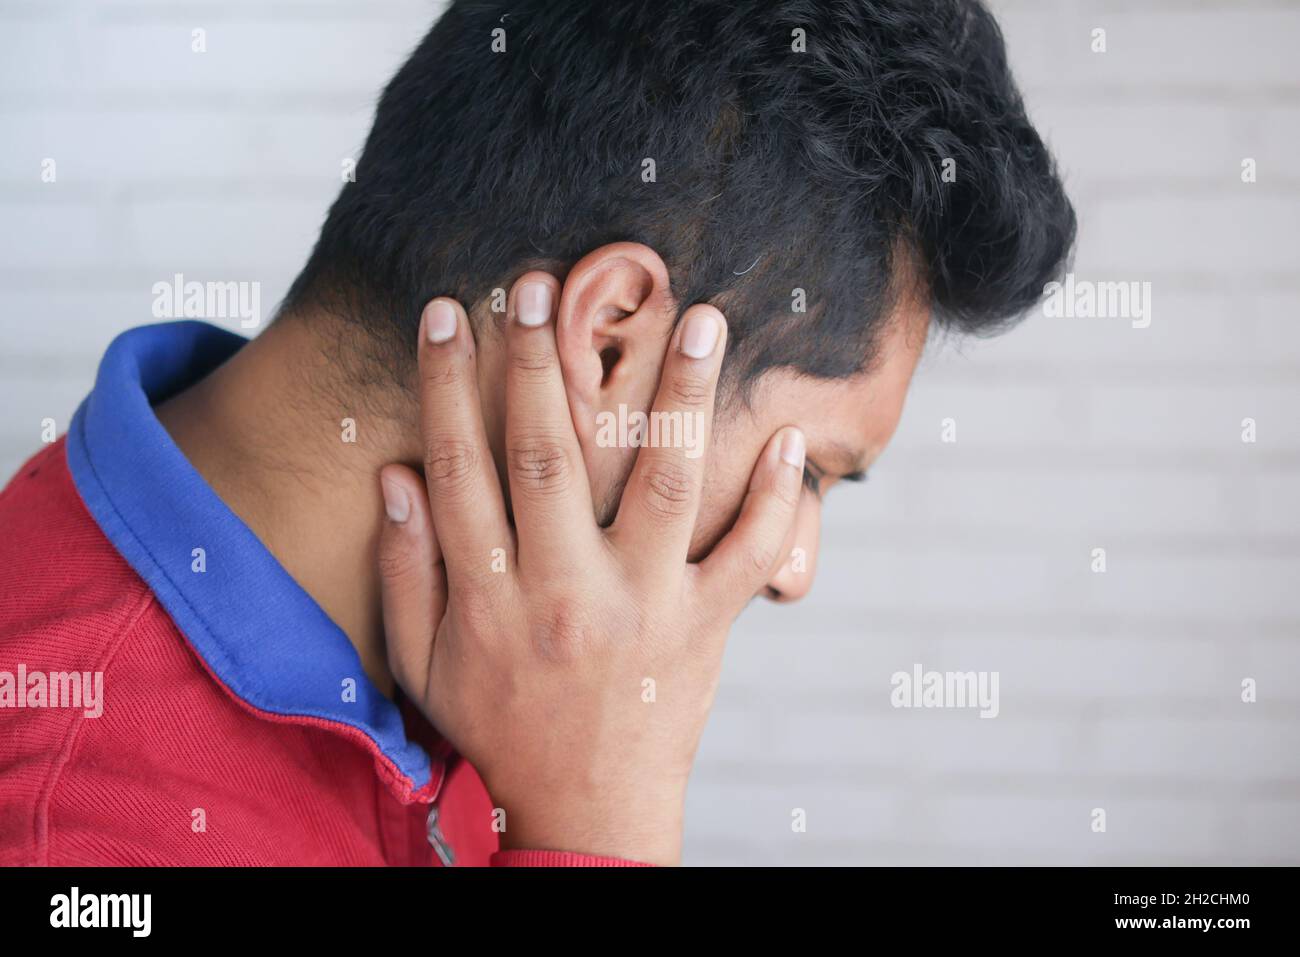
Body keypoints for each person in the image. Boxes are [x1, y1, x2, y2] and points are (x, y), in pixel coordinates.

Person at [0, 0, 1074, 865]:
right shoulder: (78, 815)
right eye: (811, 473)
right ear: (609, 344)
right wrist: (596, 833)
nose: (793, 567)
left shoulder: (513, 651)